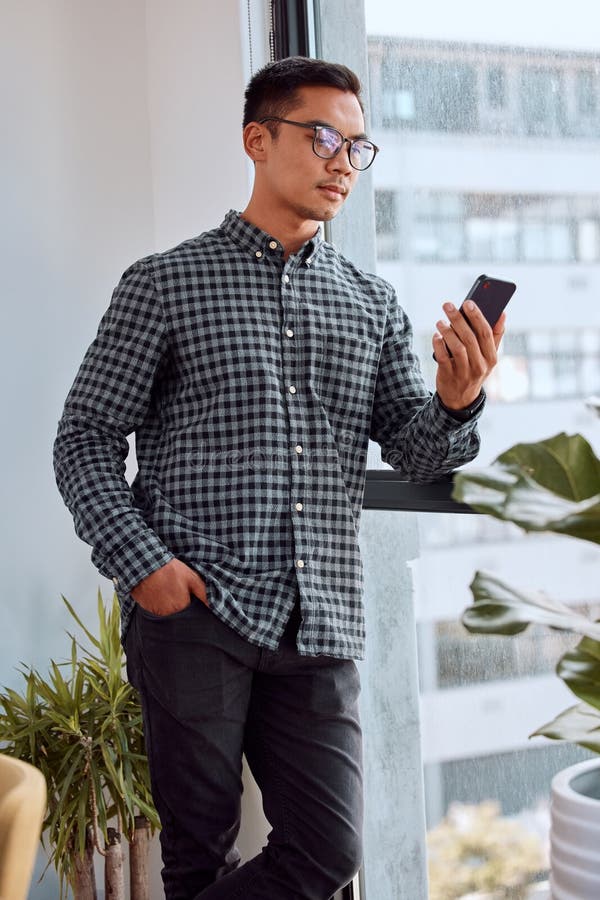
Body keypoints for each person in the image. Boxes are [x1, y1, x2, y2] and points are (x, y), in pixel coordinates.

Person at [54, 56, 505, 900]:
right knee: (196, 857)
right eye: (325, 136)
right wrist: (144, 567)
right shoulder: (164, 283)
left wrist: (455, 401)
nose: (343, 161)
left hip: (321, 618)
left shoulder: (371, 303)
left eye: (358, 146)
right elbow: (82, 439)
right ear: (258, 140)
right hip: (196, 612)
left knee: (328, 854)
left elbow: (414, 450)